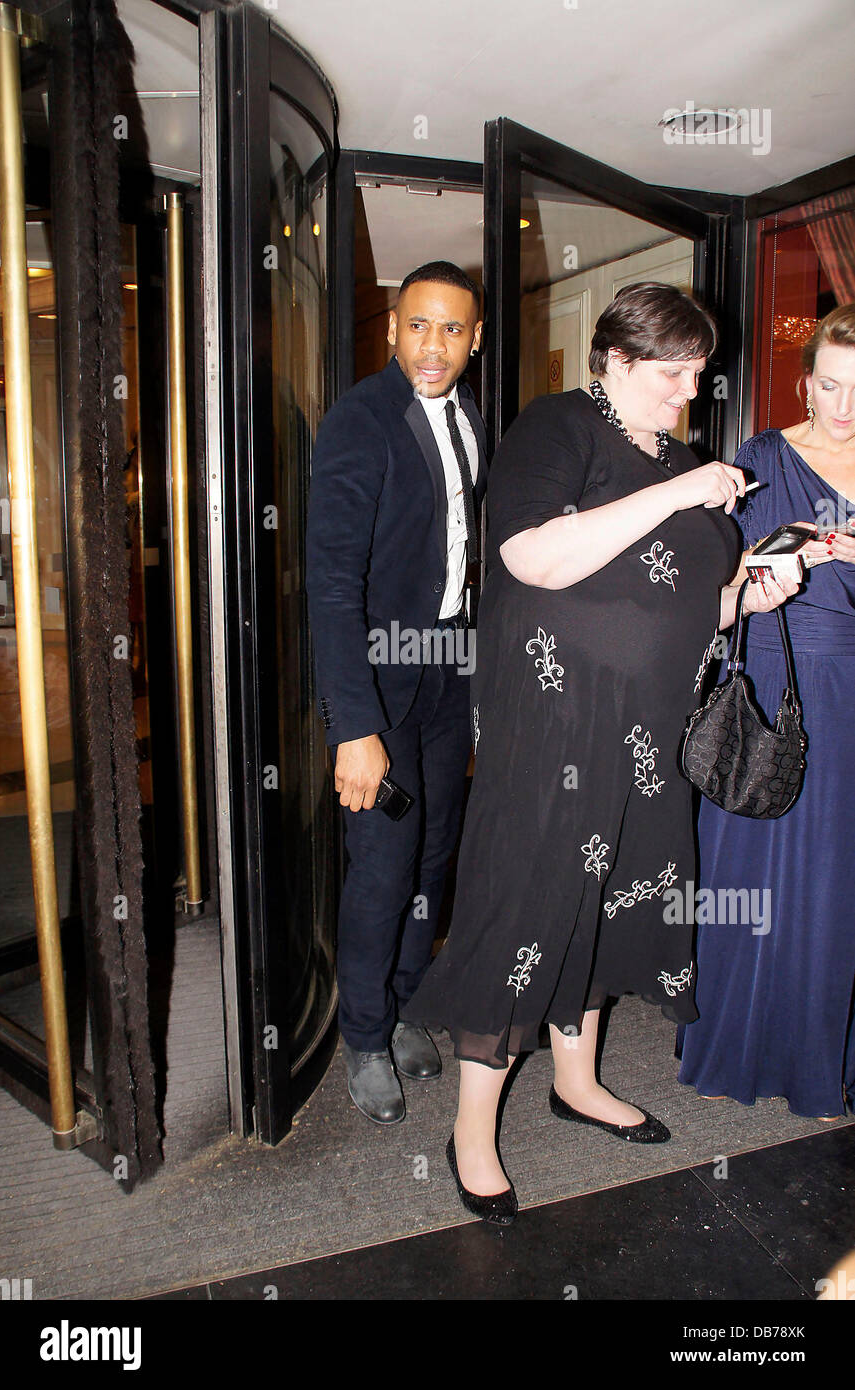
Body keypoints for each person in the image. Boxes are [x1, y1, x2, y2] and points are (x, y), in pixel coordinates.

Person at [404, 281, 798, 1223]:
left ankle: (575, 1083)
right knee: (527, 904)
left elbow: (685, 604)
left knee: (613, 899)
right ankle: (468, 1130)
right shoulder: (558, 428)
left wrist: (757, 591)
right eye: (672, 373)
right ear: (615, 360)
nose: (688, 392)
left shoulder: (680, 456)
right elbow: (533, 558)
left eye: (697, 374)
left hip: (647, 729)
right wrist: (677, 494)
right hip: (556, 726)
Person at [306, 261, 486, 1124]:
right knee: (381, 867)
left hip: (449, 672)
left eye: (451, 328)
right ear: (390, 329)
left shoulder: (475, 420)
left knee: (432, 854)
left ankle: (410, 1000)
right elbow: (332, 583)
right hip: (378, 681)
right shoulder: (359, 421)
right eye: (418, 324)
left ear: (473, 338)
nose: (433, 345)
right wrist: (353, 727)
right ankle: (366, 1034)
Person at [678, 303, 855, 1119]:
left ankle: (825, 1053)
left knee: (836, 883)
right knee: (754, 870)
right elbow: (724, 585)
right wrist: (767, 571)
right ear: (805, 380)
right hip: (780, 682)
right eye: (829, 385)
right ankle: (742, 1042)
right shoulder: (762, 457)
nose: (843, 408)